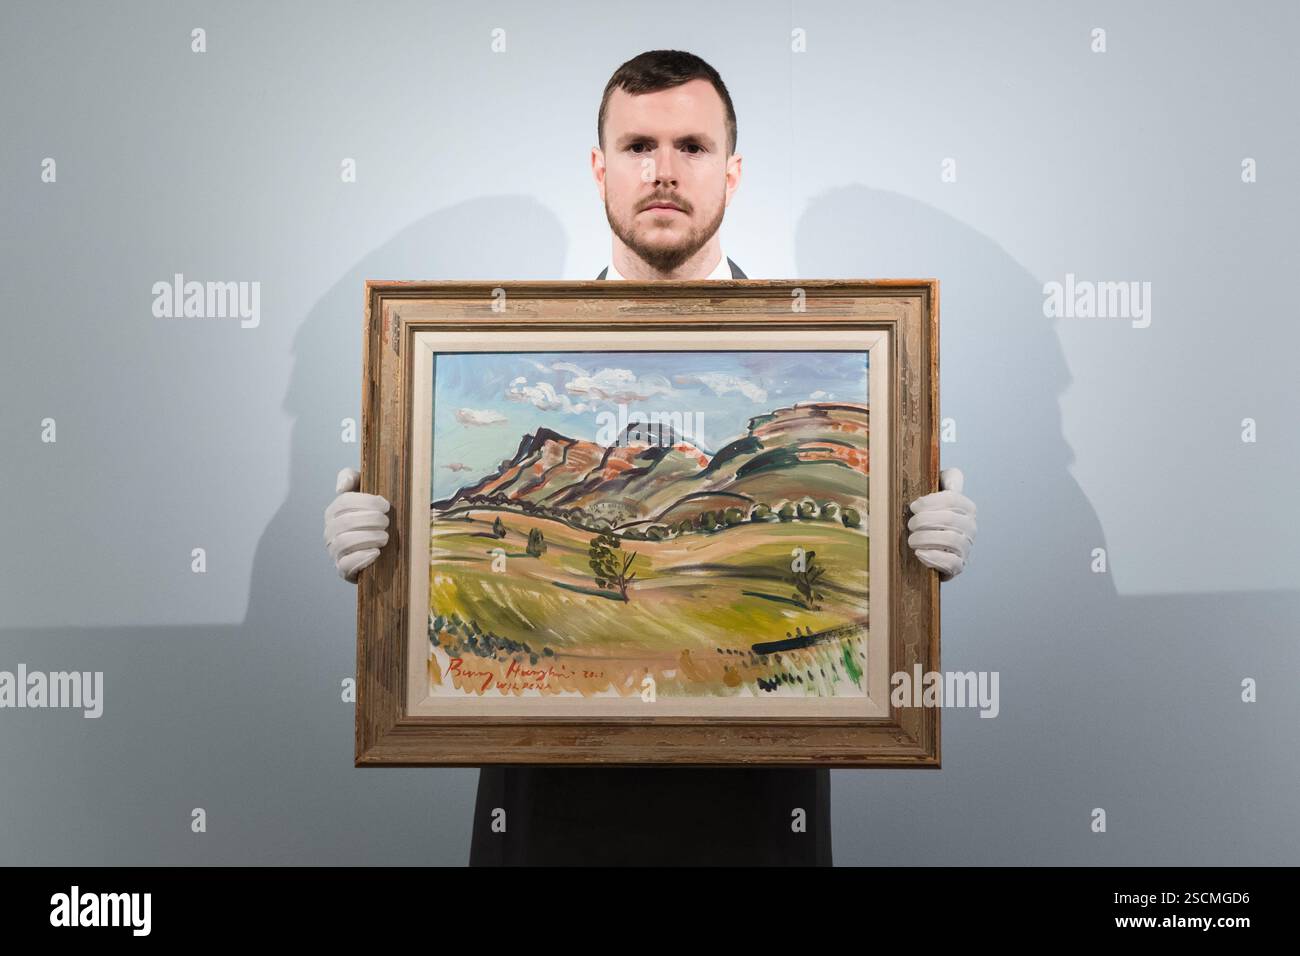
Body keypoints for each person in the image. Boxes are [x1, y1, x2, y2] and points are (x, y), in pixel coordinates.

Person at [323, 50, 977, 865]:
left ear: (732, 174)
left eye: (692, 148)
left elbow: (865, 622)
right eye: (638, 147)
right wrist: (386, 548)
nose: (664, 171)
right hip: (546, 818)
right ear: (599, 170)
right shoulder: (493, 345)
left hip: (758, 821)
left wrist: (915, 554)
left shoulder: (846, 351)